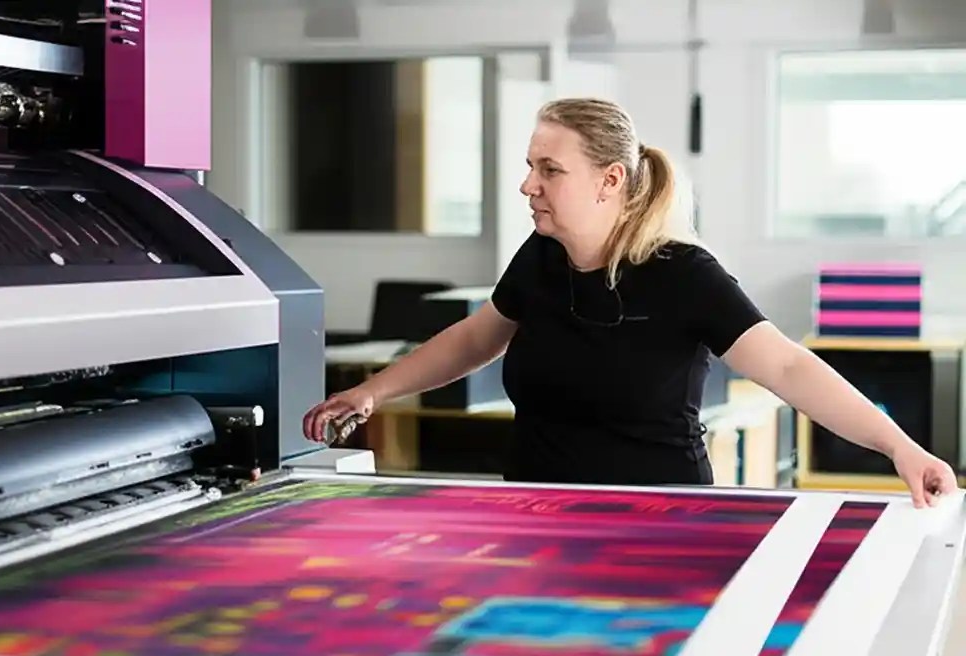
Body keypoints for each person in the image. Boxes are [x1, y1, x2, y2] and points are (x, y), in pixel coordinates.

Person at [303, 96, 957, 508]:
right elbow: (476, 339)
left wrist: (901, 447)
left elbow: (787, 369)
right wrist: (372, 393)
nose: (527, 184)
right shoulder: (540, 260)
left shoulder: (685, 274)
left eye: (549, 170)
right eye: (530, 165)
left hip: (659, 524)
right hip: (537, 515)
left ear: (609, 180)